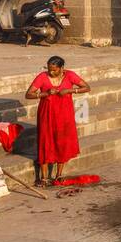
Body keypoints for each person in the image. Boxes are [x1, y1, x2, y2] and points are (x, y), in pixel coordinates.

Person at [25, 56, 90, 186]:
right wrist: (45, 93)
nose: (51, 72)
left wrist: (70, 90)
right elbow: (28, 94)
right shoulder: (42, 77)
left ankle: (58, 175)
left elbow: (86, 87)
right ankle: (44, 177)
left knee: (62, 142)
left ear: (61, 68)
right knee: (45, 141)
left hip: (64, 115)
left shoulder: (70, 75)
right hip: (46, 115)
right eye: (49, 69)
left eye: (54, 70)